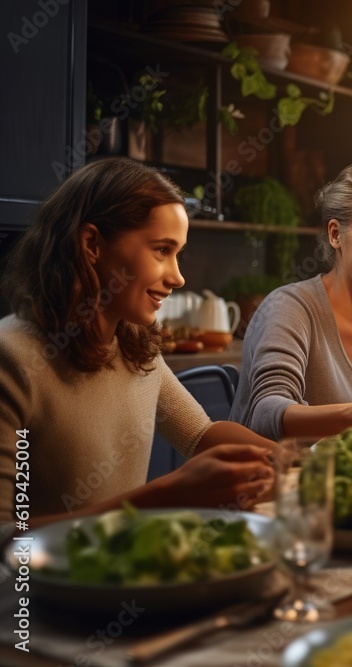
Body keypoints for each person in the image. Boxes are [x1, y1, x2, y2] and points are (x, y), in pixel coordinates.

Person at [0, 157, 274, 531]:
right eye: (162, 250)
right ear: (92, 243)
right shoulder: (11, 358)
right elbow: (7, 539)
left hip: (123, 580)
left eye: (178, 253)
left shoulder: (132, 345)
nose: (178, 277)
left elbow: (200, 434)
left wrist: (299, 460)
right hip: (39, 590)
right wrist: (164, 497)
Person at [231, 162, 352, 440]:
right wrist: (351, 417)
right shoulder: (290, 308)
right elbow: (264, 413)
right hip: (278, 479)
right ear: (335, 234)